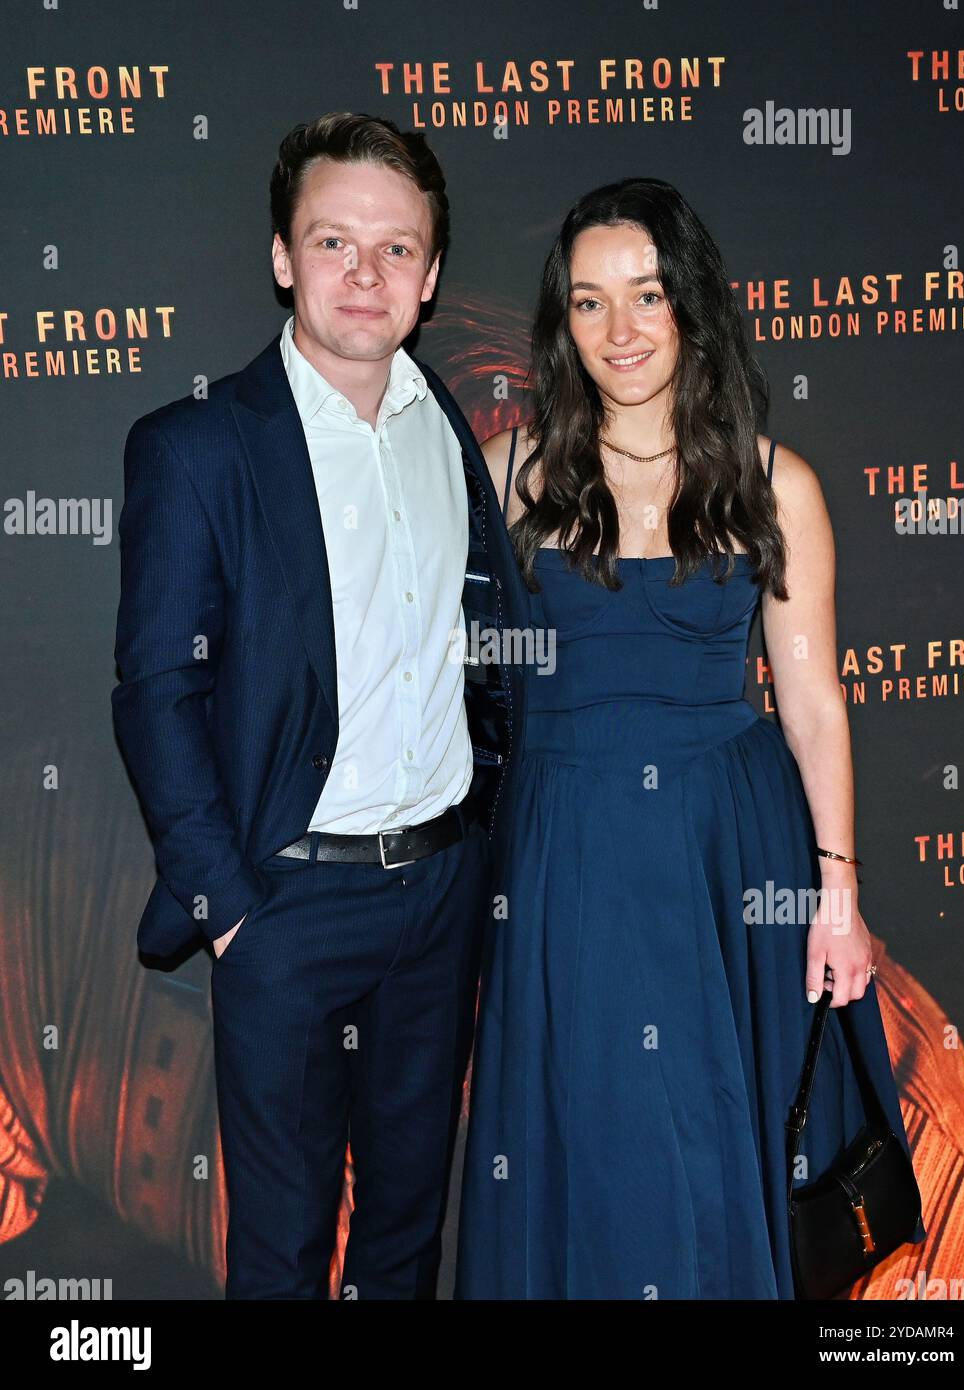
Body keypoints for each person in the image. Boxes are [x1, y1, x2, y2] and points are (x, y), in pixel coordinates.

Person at [454, 177, 926, 1299]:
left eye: (645, 296)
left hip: (727, 848)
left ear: (691, 306)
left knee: (711, 1135)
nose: (618, 332)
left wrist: (837, 892)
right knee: (590, 1132)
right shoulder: (511, 474)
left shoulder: (772, 481)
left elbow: (810, 699)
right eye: (586, 303)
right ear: (559, 324)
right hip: (565, 847)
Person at [110, 111, 528, 1299]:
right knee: (284, 1253)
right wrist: (231, 907)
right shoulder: (199, 447)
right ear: (283, 257)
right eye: (333, 241)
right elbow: (155, 692)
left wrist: (477, 845)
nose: (365, 273)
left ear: (432, 274)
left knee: (405, 1236)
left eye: (396, 249)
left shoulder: (450, 431)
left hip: (438, 895)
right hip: (285, 905)